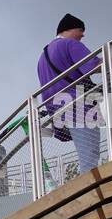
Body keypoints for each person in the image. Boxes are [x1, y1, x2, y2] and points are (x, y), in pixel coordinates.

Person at [37, 13, 105, 175]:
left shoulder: (43, 56)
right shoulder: (70, 44)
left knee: (85, 154)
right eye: (81, 30)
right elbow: (94, 66)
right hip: (79, 106)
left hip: (57, 110)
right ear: (71, 29)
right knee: (90, 156)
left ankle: (89, 192)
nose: (83, 35)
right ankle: (90, 195)